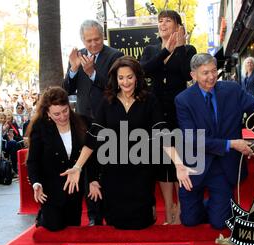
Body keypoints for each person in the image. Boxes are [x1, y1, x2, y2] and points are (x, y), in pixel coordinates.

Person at [62, 56, 193, 230]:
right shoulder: (107, 101)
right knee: (116, 224)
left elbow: (162, 132)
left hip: (142, 170)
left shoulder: (150, 100)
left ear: (137, 77)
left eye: (130, 77)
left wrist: (178, 163)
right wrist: (78, 167)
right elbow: (93, 137)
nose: (125, 82)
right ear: (115, 79)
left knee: (142, 223)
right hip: (113, 172)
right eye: (121, 77)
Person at [175, 53, 254, 229]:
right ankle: (212, 207)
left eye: (214, 71)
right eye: (205, 73)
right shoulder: (183, 100)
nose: (211, 76)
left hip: (223, 167)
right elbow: (192, 139)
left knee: (220, 223)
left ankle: (219, 208)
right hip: (195, 165)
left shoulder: (232, 90)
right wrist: (231, 144)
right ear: (193, 75)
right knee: (190, 221)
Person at [62, 19, 123, 226]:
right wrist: (72, 69)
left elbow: (117, 87)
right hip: (82, 121)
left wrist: (93, 73)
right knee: (87, 168)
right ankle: (94, 216)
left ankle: (112, 211)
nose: (93, 44)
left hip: (107, 120)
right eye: (89, 41)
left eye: (97, 39)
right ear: (82, 40)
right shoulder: (77, 55)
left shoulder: (115, 55)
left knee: (108, 167)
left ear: (102, 36)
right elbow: (67, 89)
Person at [140, 9, 197, 225]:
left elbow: (185, 73)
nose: (163, 24)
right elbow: (144, 70)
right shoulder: (151, 49)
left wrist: (180, 48)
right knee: (162, 160)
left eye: (168, 21)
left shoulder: (188, 49)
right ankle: (168, 207)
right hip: (155, 108)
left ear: (178, 26)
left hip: (179, 108)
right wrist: (166, 51)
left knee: (178, 158)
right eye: (160, 21)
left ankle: (181, 206)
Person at [26, 87, 91, 231]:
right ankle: (43, 216)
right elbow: (33, 160)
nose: (62, 117)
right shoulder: (40, 127)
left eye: (65, 111)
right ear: (47, 112)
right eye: (56, 114)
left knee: (73, 228)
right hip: (50, 187)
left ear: (69, 106)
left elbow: (92, 149)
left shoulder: (82, 122)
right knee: (54, 227)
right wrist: (36, 182)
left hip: (74, 187)